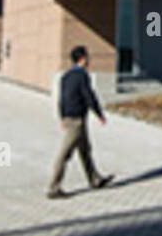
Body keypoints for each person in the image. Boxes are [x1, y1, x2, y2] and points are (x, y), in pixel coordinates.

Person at [48, 46, 115, 198]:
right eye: (88, 57)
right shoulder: (82, 76)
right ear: (83, 59)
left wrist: (62, 117)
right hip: (76, 120)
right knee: (65, 153)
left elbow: (61, 99)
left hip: (70, 117)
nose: (89, 61)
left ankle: (95, 179)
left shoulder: (65, 76)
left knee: (85, 150)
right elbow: (88, 95)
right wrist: (99, 114)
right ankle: (54, 187)